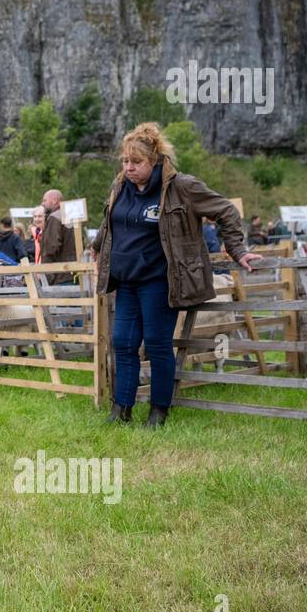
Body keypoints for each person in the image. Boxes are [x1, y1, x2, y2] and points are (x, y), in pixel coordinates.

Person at [93, 123, 263, 429]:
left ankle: (159, 412)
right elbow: (110, 223)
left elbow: (225, 209)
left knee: (157, 343)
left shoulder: (181, 187)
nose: (128, 168)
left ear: (155, 160)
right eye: (124, 161)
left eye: (136, 163)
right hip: (126, 280)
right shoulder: (120, 186)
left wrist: (237, 250)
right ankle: (121, 410)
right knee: (123, 343)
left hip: (160, 281)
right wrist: (97, 249)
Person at [40, 189, 77, 283]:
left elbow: (51, 247)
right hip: (74, 272)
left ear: (54, 200)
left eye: (45, 200)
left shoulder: (55, 217)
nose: (42, 203)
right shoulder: (71, 217)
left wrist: (48, 275)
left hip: (59, 274)